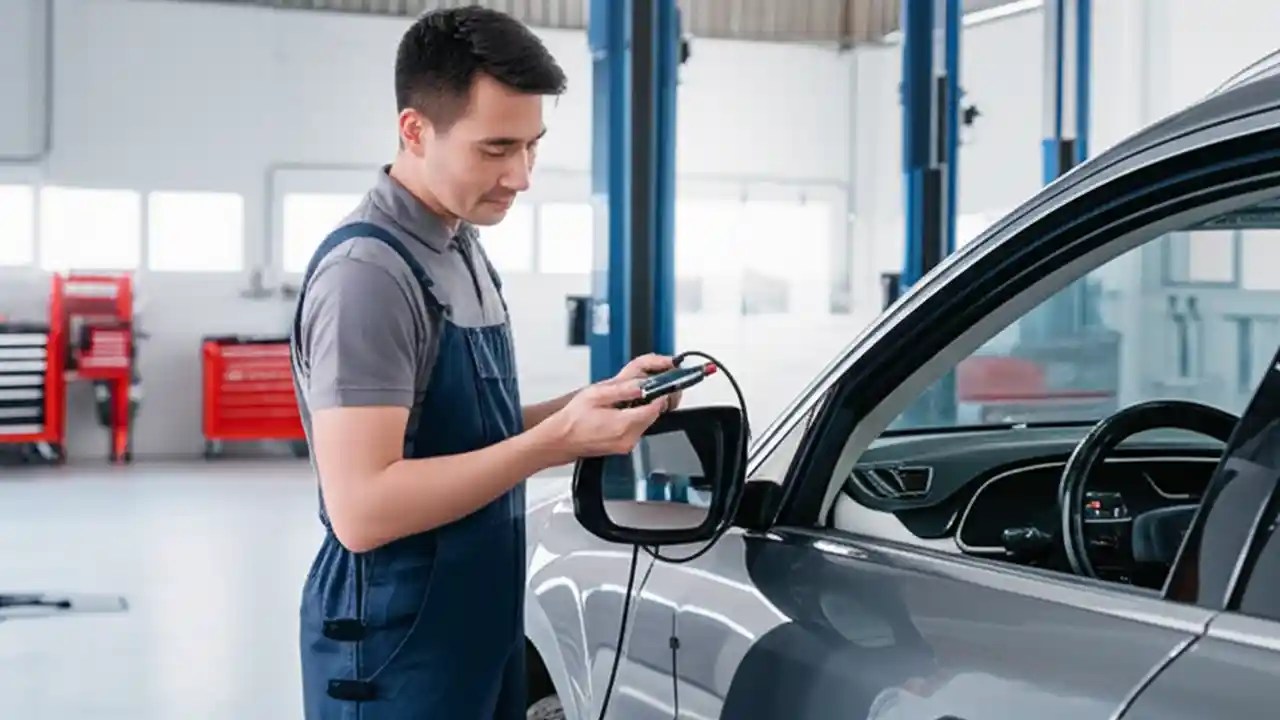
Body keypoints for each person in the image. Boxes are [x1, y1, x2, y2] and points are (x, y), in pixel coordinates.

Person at [288, 7, 679, 719]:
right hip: (394, 650)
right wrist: (553, 444)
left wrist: (588, 406)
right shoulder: (368, 276)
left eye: (532, 146)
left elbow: (466, 434)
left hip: (476, 626)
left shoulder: (459, 243)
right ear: (415, 130)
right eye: (496, 148)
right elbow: (363, 509)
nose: (520, 176)